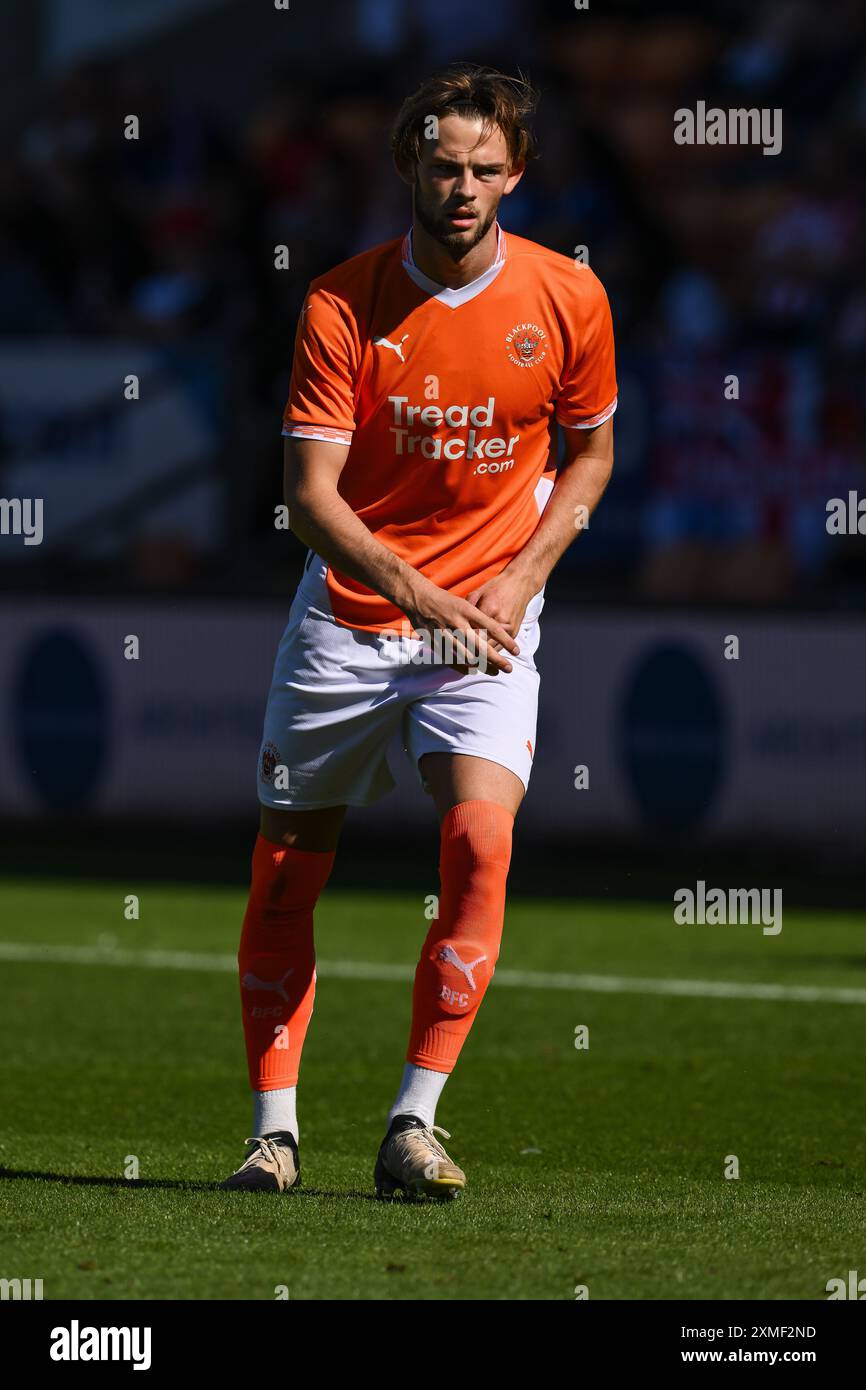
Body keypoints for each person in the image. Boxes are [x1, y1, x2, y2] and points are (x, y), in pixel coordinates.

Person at [222, 63, 617, 1200]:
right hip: (350, 623)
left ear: (516, 174)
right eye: (443, 165)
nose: (462, 187)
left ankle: (412, 1122)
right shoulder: (342, 304)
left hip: (485, 623)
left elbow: (587, 455)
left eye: (485, 169)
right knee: (286, 874)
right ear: (408, 164)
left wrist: (523, 573)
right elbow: (309, 497)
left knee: (479, 846)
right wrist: (416, 593)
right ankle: (273, 1134)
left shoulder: (568, 298)